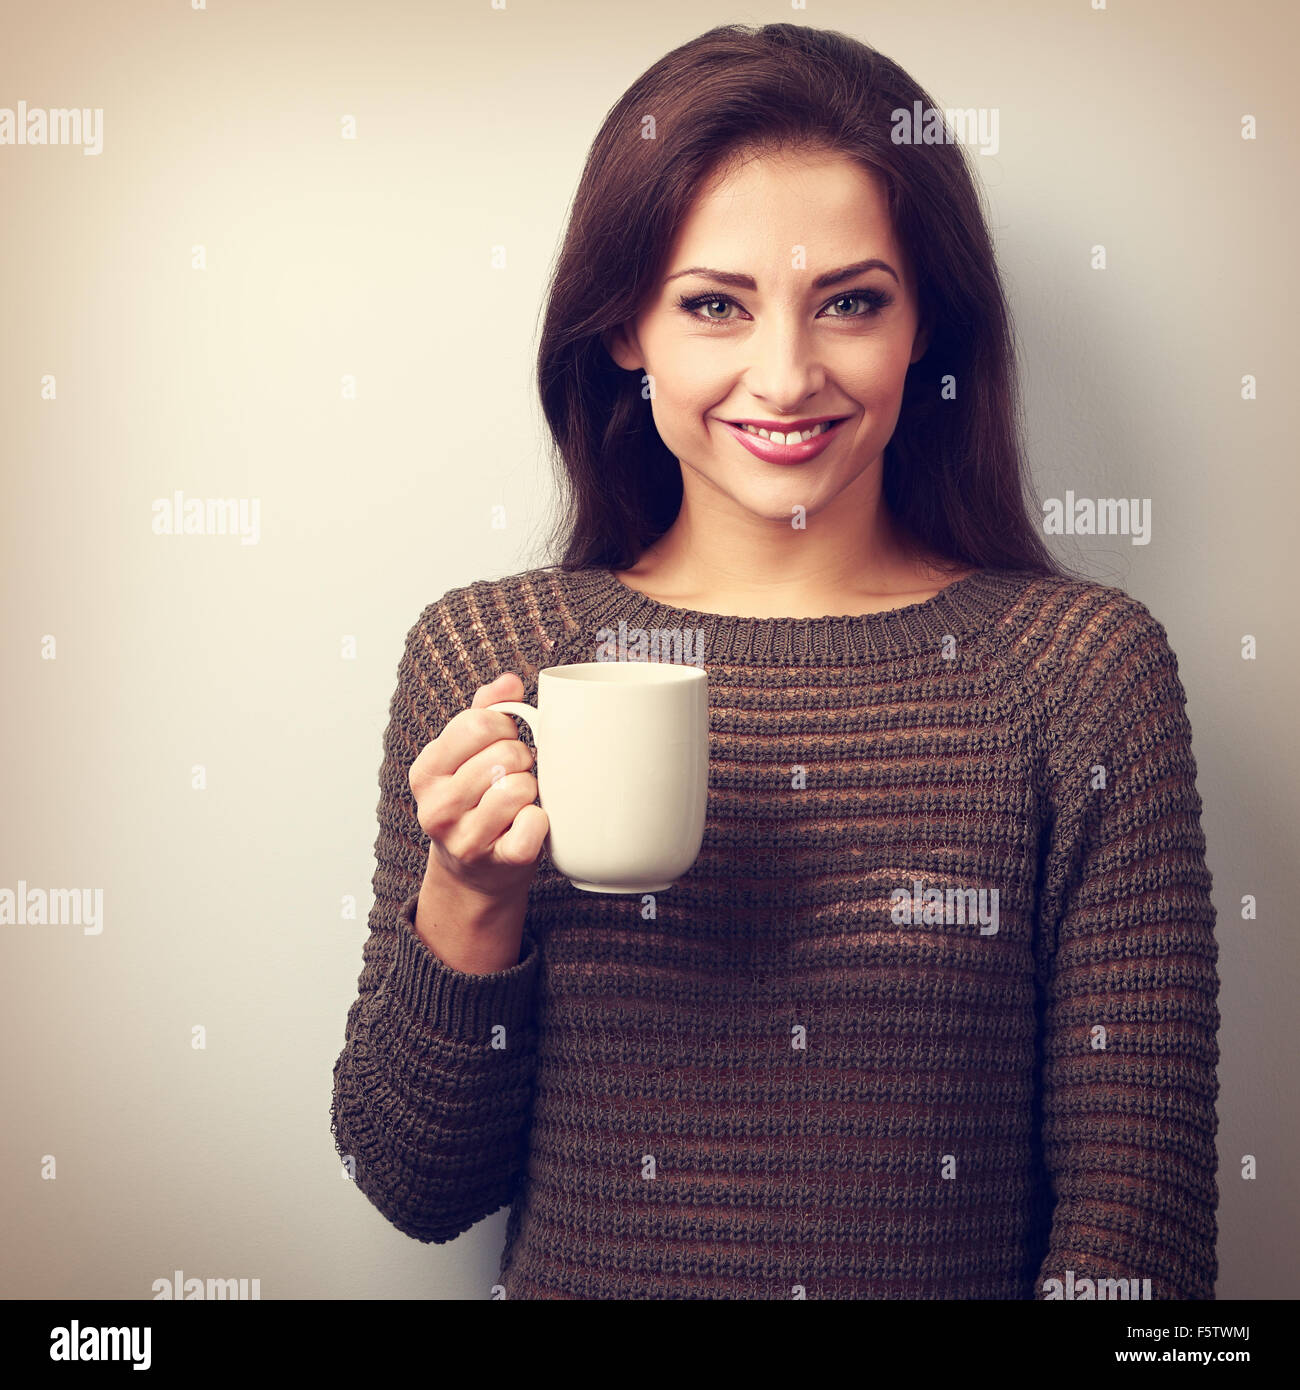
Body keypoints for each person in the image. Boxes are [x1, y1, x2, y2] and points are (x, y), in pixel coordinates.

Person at [330, 22, 1219, 1300]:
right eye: (714, 305)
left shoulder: (1083, 674)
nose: (787, 375)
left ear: (924, 325)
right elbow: (414, 1184)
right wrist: (469, 894)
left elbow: (1139, 1239)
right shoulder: (490, 657)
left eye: (850, 302)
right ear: (625, 327)